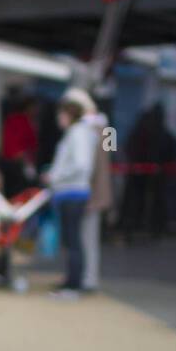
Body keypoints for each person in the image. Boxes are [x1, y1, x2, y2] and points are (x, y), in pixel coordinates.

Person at [45, 98, 98, 299]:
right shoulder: (80, 134)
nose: (59, 118)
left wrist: (56, 176)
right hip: (72, 192)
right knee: (72, 239)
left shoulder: (77, 134)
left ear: (69, 115)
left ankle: (74, 284)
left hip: (72, 193)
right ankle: (71, 280)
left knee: (72, 239)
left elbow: (81, 164)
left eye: (61, 114)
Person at [63, 87, 113, 294]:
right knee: (85, 239)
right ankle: (86, 277)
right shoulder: (101, 128)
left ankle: (88, 279)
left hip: (88, 193)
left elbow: (89, 167)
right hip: (92, 192)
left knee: (86, 239)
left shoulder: (89, 130)